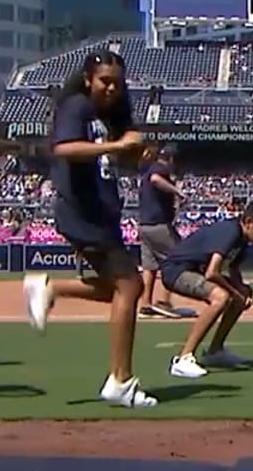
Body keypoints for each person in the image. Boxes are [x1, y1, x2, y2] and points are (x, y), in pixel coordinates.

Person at [22, 50, 156, 409]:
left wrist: (133, 155)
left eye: (117, 82)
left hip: (101, 211)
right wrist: (114, 145)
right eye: (104, 81)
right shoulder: (77, 106)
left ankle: (51, 288)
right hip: (82, 211)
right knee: (131, 285)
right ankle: (121, 380)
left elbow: (112, 160)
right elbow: (64, 148)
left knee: (119, 289)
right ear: (88, 79)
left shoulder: (109, 115)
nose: (111, 88)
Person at [164, 201, 253, 379]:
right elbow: (212, 272)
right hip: (177, 270)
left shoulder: (242, 240)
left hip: (195, 271)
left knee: (242, 293)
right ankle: (183, 358)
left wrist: (241, 290)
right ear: (249, 222)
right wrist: (236, 293)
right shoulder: (231, 231)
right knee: (221, 297)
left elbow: (233, 269)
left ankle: (215, 351)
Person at [136, 144, 183, 319]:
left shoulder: (149, 169)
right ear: (171, 159)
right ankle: (164, 303)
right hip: (158, 225)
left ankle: (146, 305)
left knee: (150, 267)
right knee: (177, 259)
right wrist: (177, 191)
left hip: (145, 225)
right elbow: (156, 179)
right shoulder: (159, 168)